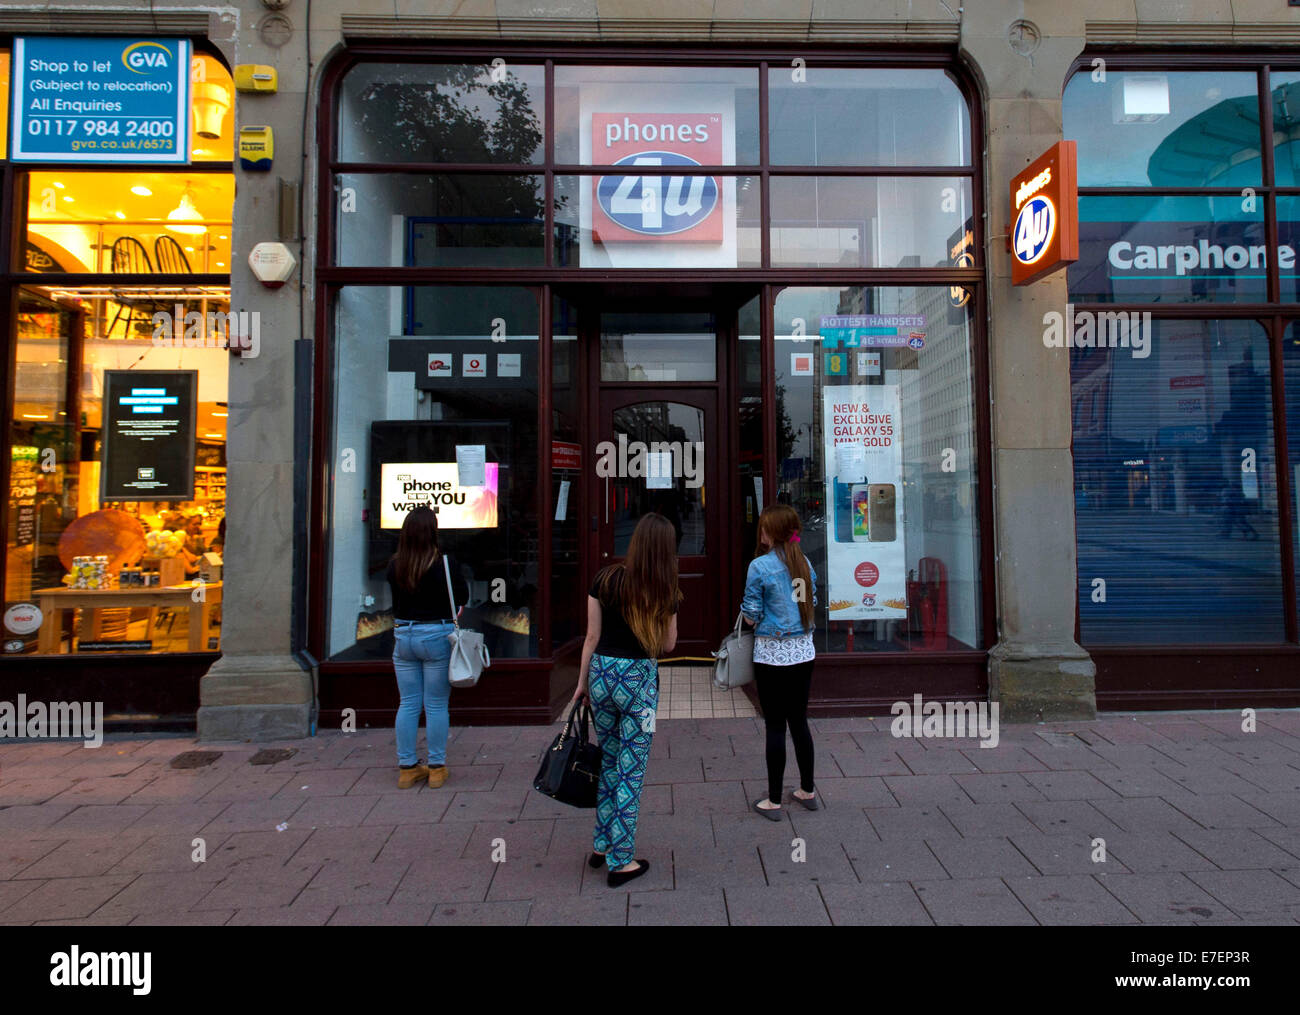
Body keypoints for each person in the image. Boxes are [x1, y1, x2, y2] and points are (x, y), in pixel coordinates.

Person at [572, 513, 680, 887]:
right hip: (639, 683)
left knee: (610, 761)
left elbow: (591, 637)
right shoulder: (665, 589)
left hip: (601, 675)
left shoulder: (605, 578)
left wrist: (581, 684)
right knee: (631, 773)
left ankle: (602, 845)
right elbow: (667, 645)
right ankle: (621, 860)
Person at [741, 504, 819, 819]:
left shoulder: (760, 567)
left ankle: (773, 801)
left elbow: (751, 614)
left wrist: (752, 617)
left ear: (771, 531)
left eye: (763, 528)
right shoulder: (804, 563)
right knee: (798, 722)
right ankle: (807, 790)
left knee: (775, 725)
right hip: (803, 652)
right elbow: (809, 602)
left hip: (772, 654)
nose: (760, 533)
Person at [385, 506, 469, 790]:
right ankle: (436, 767)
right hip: (436, 634)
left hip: (404, 636)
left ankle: (407, 768)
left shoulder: (395, 564)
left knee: (408, 703)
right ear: (433, 531)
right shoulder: (445, 563)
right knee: (435, 705)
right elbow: (462, 597)